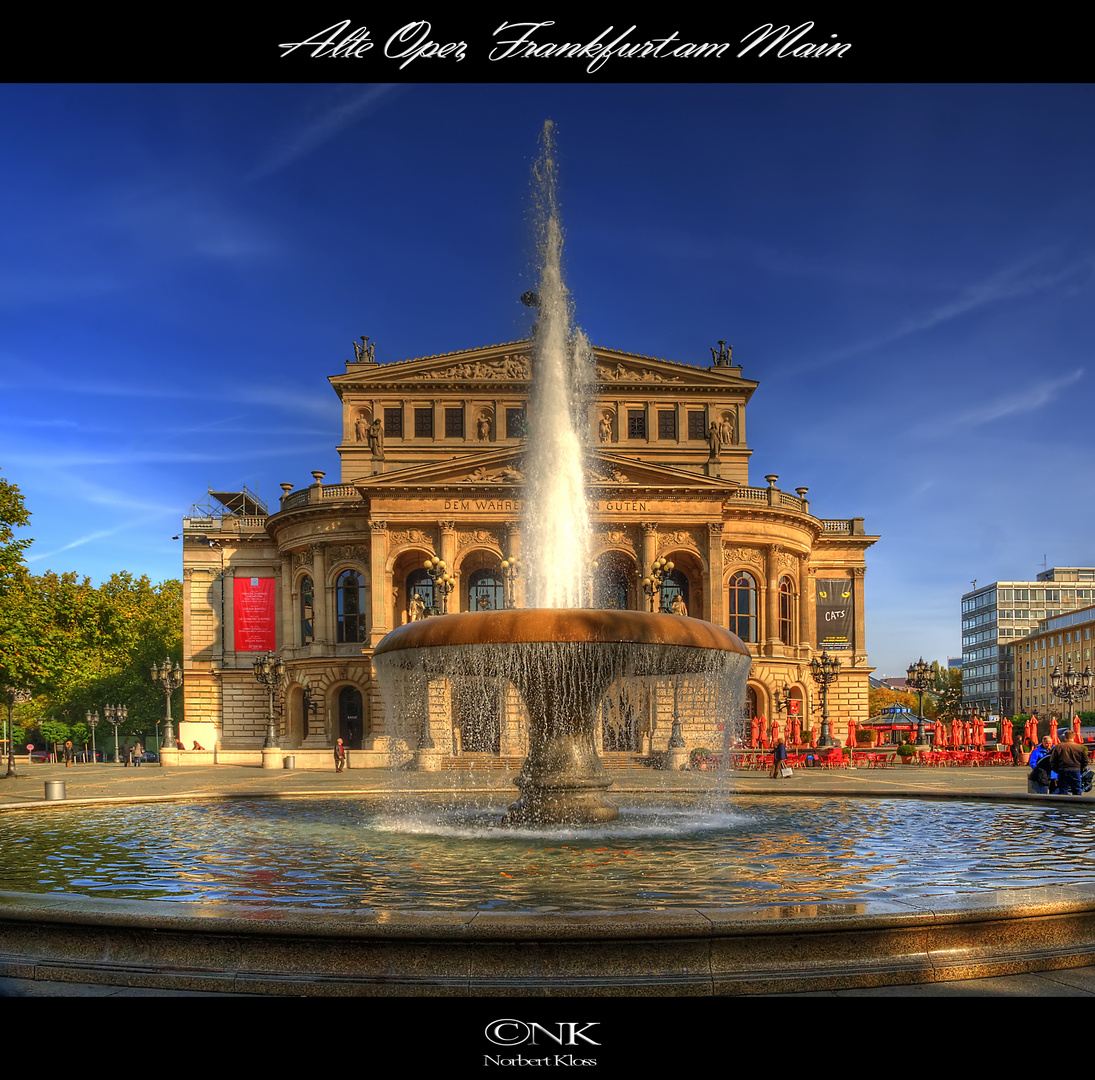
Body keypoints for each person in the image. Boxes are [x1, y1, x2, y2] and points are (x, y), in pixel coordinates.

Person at [1048, 731, 1089, 796]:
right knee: (1077, 790)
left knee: (1062, 790)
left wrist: (1056, 770)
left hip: (1062, 770)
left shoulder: (1058, 747)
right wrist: (1080, 769)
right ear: (1073, 737)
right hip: (1075, 769)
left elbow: (1052, 761)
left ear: (1065, 737)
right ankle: (1077, 804)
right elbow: (1085, 761)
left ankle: (1064, 804)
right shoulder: (1079, 747)